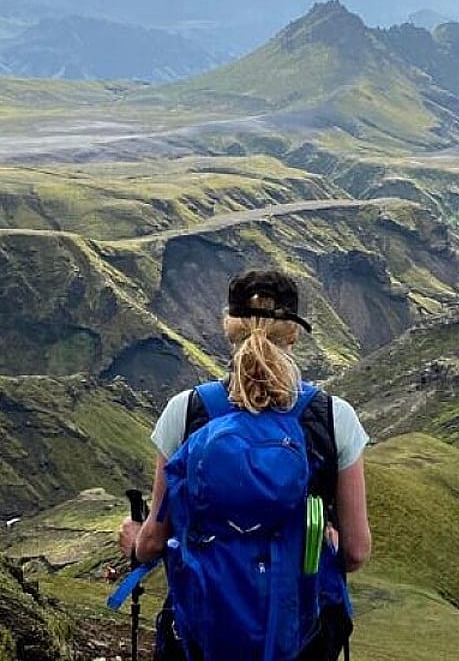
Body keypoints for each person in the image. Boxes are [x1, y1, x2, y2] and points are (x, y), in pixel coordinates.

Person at [118, 269, 371, 661]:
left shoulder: (186, 411)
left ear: (228, 328)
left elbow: (153, 541)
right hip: (303, 634)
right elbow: (355, 552)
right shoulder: (335, 418)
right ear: (294, 333)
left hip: (205, 632)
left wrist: (133, 539)